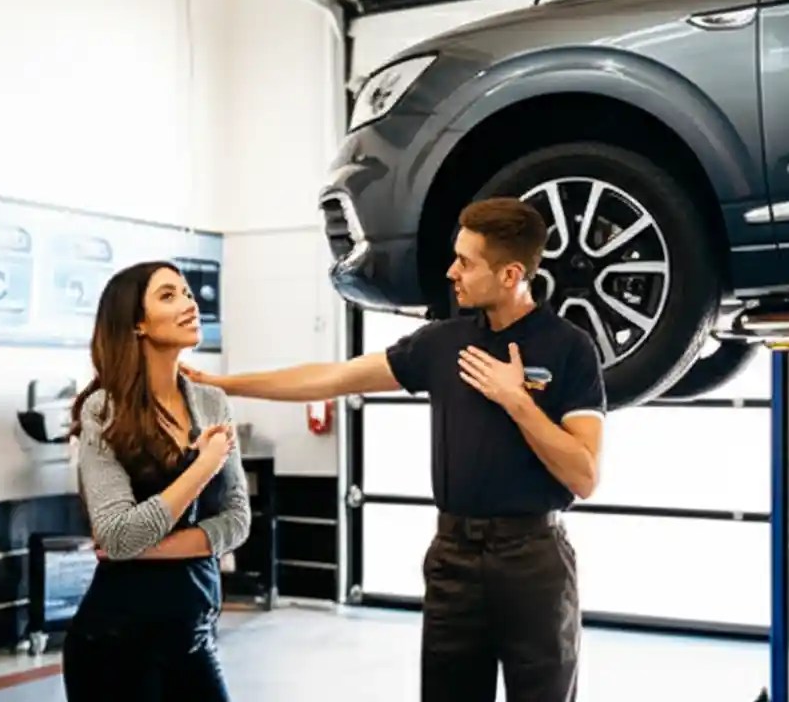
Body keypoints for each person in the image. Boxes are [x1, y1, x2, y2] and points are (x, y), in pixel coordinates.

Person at [183, 198, 606, 702]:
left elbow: (584, 475)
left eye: (466, 262)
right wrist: (220, 382)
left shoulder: (570, 348)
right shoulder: (442, 343)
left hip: (533, 559)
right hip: (454, 556)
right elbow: (332, 377)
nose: (452, 272)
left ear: (512, 273)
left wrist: (517, 401)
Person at [61, 261, 251, 702]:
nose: (189, 304)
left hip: (194, 635)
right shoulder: (103, 410)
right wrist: (203, 466)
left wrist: (146, 547)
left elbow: (237, 522)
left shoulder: (211, 402)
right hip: (115, 643)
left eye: (187, 293)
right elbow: (115, 532)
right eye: (168, 296)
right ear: (137, 324)